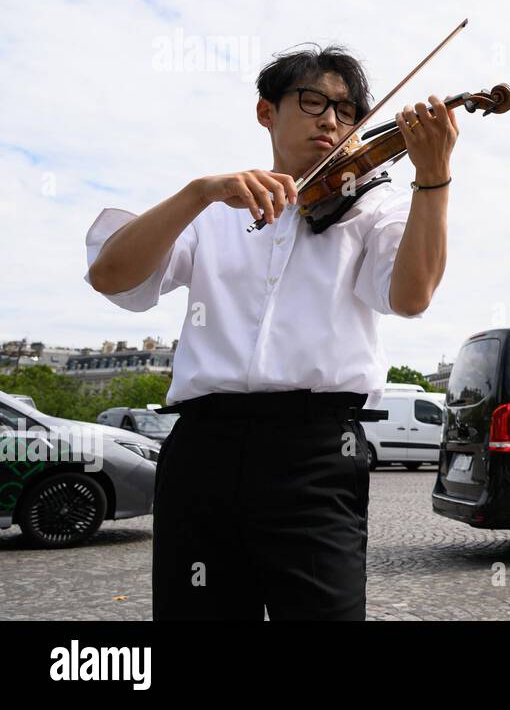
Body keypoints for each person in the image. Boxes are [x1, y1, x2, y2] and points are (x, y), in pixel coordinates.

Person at [83, 44, 457, 620]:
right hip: (203, 448)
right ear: (267, 112)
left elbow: (411, 296)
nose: (332, 120)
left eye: (348, 110)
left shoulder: (372, 207)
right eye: (314, 101)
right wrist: (197, 192)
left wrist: (432, 180)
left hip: (316, 451)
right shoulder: (215, 209)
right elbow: (110, 275)